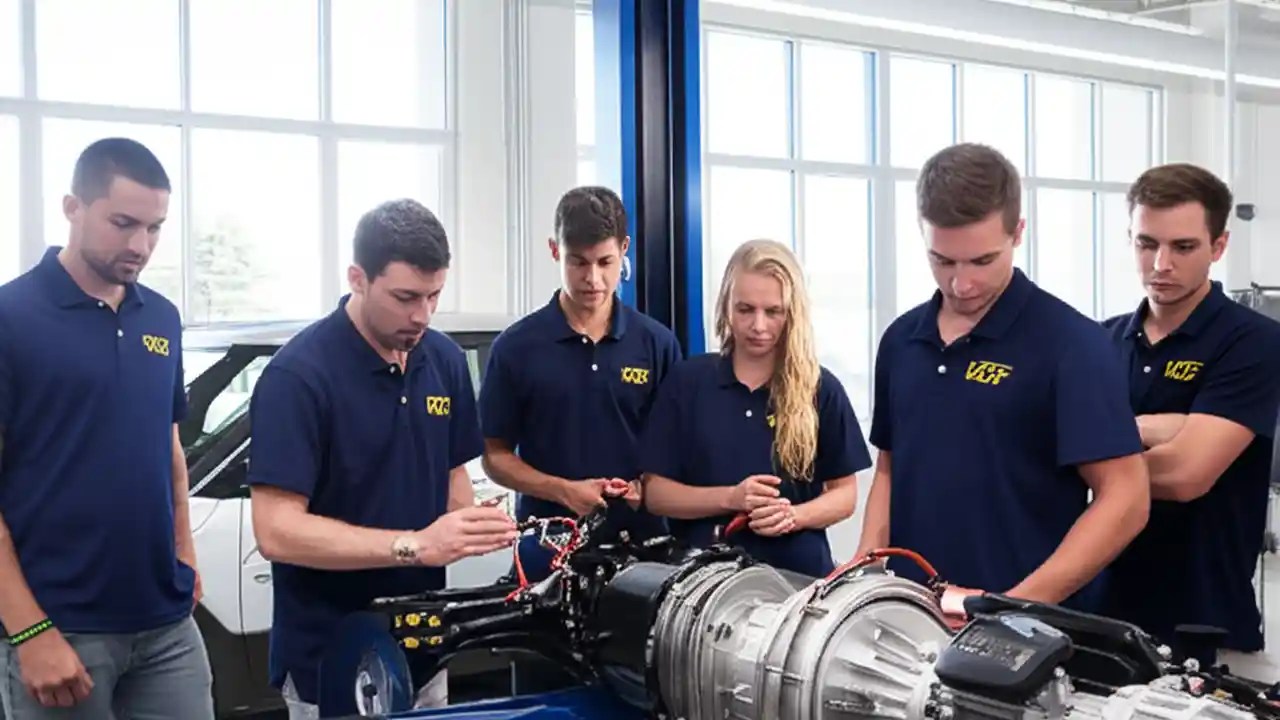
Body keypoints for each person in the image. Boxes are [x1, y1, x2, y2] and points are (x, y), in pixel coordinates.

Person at [247, 199, 518, 718]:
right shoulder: (298, 378)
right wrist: (415, 545)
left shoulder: (442, 360)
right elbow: (276, 530)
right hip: (332, 653)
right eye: (405, 297)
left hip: (422, 646)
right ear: (358, 278)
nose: (422, 315)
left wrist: (473, 524)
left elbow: (451, 474)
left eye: (434, 296)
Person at [856, 143, 1150, 611]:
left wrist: (1014, 605)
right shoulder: (900, 341)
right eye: (943, 261)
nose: (961, 283)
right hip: (912, 614)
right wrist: (866, 571)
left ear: (1019, 233)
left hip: (1028, 627)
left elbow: (1127, 498)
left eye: (982, 261)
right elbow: (890, 468)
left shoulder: (1072, 345)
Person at [0, 139, 214, 718]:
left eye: (155, 228)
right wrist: (27, 631)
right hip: (61, 626)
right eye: (123, 223)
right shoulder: (11, 318)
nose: (140, 245)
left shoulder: (162, 318)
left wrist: (186, 552)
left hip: (166, 625)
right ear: (74, 207)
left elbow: (166, 445)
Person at [1101, 163, 1280, 676]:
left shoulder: (1253, 342)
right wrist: (1169, 426)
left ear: (1217, 247)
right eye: (1146, 244)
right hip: (1101, 602)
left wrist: (1103, 444)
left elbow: (1184, 476)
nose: (1161, 263)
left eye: (1182, 247)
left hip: (1203, 613)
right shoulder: (1099, 342)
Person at [480, 186, 681, 581]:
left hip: (642, 548)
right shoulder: (516, 348)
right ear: (555, 250)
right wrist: (561, 490)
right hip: (546, 549)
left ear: (624, 248)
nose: (593, 278)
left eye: (606, 262)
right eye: (578, 263)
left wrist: (649, 486)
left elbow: (677, 448)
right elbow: (495, 456)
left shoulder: (657, 344)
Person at [639, 239, 869, 577]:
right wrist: (731, 498)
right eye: (745, 309)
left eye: (773, 311)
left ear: (792, 312)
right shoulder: (687, 383)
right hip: (704, 586)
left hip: (797, 586)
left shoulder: (820, 389)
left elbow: (844, 494)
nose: (759, 326)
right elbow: (656, 494)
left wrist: (794, 516)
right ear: (726, 307)